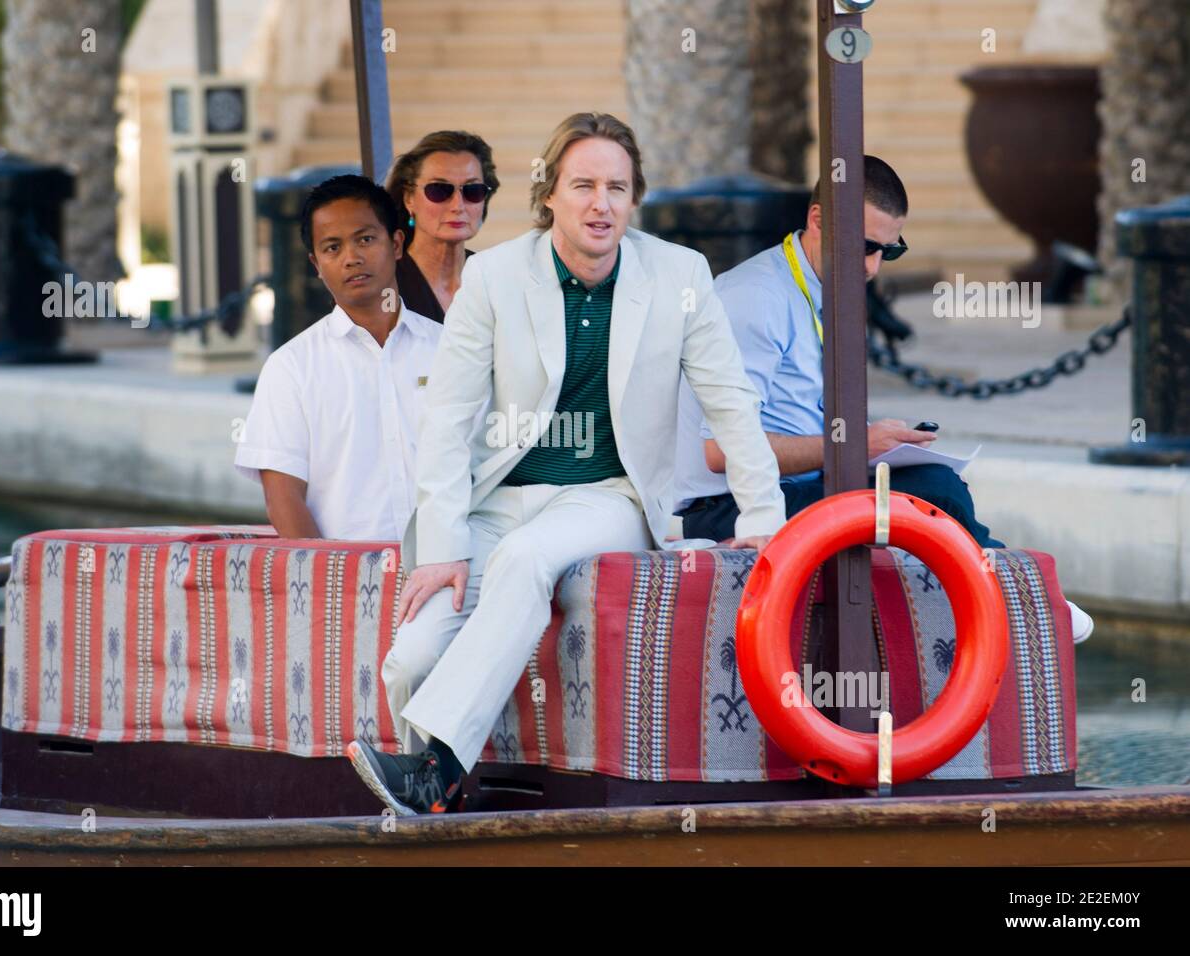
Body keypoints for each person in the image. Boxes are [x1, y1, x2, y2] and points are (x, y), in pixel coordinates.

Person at [346, 112, 786, 815]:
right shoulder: (493, 276)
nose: (600, 203)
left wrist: (765, 519)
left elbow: (731, 401)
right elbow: (448, 421)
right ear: (550, 192)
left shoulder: (680, 274)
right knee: (413, 657)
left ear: (634, 197)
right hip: (499, 497)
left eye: (616, 186)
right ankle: (432, 805)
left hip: (609, 497)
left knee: (525, 561)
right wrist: (442, 547)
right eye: (583, 184)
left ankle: (437, 769)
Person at [675, 155, 1094, 643]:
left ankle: (1013, 585)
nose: (872, 267)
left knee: (932, 479)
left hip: (798, 484)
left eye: (887, 252)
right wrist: (858, 447)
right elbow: (721, 452)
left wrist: (878, 442)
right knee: (932, 490)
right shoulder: (755, 299)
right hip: (731, 505)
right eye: (864, 247)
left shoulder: (819, 289)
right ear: (817, 221)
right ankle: (1024, 594)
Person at [233, 174, 441, 540]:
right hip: (344, 583)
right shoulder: (292, 367)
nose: (352, 258)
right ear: (316, 263)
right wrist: (328, 581)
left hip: (452, 575)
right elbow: (283, 496)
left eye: (365, 239)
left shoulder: (449, 349)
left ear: (395, 244)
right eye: (332, 248)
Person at [385, 130, 499, 322]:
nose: (458, 206)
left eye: (473, 191)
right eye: (439, 190)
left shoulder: (499, 281)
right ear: (409, 198)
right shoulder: (380, 286)